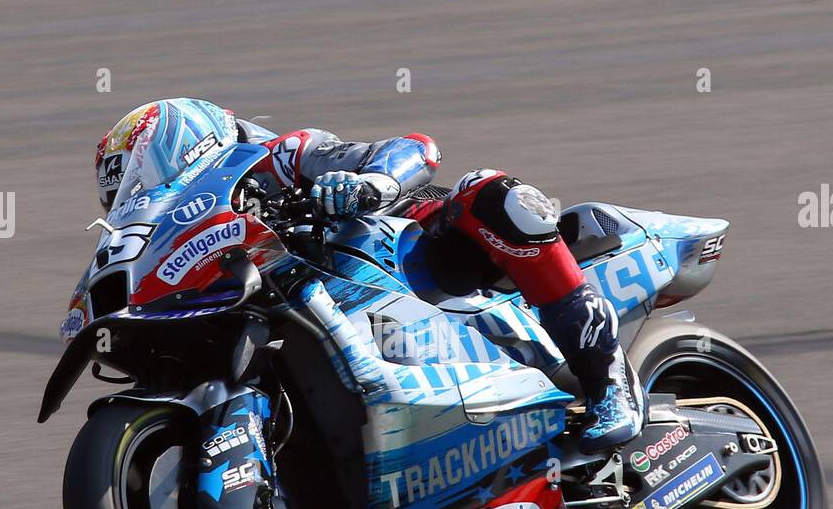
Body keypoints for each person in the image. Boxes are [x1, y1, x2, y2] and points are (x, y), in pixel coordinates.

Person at [93, 98, 644, 451]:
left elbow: (417, 150)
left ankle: (608, 381)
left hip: (426, 260)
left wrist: (370, 184)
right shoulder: (203, 240)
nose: (145, 197)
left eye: (147, 177)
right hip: (321, 312)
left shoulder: (277, 158)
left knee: (494, 193)